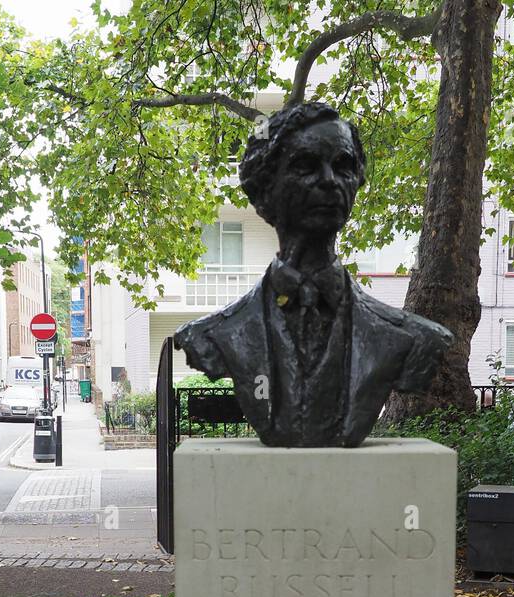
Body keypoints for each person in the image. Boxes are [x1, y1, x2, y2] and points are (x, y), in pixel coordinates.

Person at [175, 102, 451, 448]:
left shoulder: (414, 339)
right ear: (264, 191)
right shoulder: (214, 335)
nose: (329, 181)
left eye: (343, 166)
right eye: (305, 166)